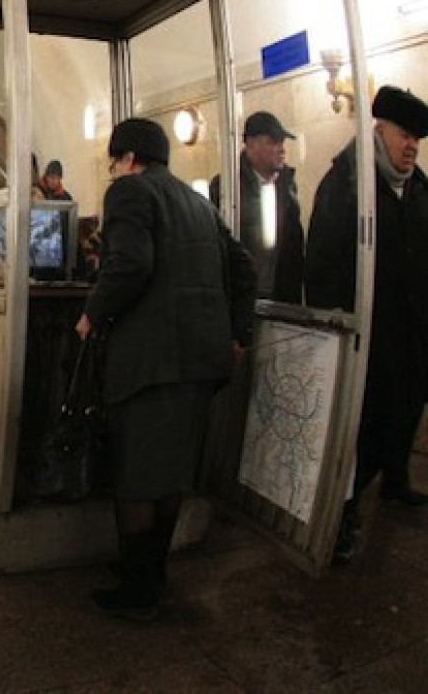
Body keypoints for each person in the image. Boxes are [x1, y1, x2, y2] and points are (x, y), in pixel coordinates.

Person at [75, 118, 255, 622]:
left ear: (129, 158)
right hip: (200, 362)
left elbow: (130, 265)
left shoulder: (130, 192)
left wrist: (92, 314)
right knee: (170, 473)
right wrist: (237, 334)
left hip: (151, 363)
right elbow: (243, 267)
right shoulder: (199, 203)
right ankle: (151, 572)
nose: (113, 171)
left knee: (136, 475)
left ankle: (138, 590)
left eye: (114, 162)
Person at [306, 86, 428, 564]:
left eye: (417, 139)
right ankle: (344, 509)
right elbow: (322, 263)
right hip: (367, 337)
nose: (412, 146)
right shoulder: (348, 183)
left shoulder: (418, 188)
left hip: (412, 333)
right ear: (379, 129)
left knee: (405, 412)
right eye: (405, 135)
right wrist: (333, 328)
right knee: (364, 430)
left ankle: (393, 481)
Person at [208, 111, 304, 304]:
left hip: (283, 297)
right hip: (245, 298)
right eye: (273, 142)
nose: (281, 149)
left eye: (282, 143)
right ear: (251, 145)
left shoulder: (286, 185)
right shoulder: (227, 187)